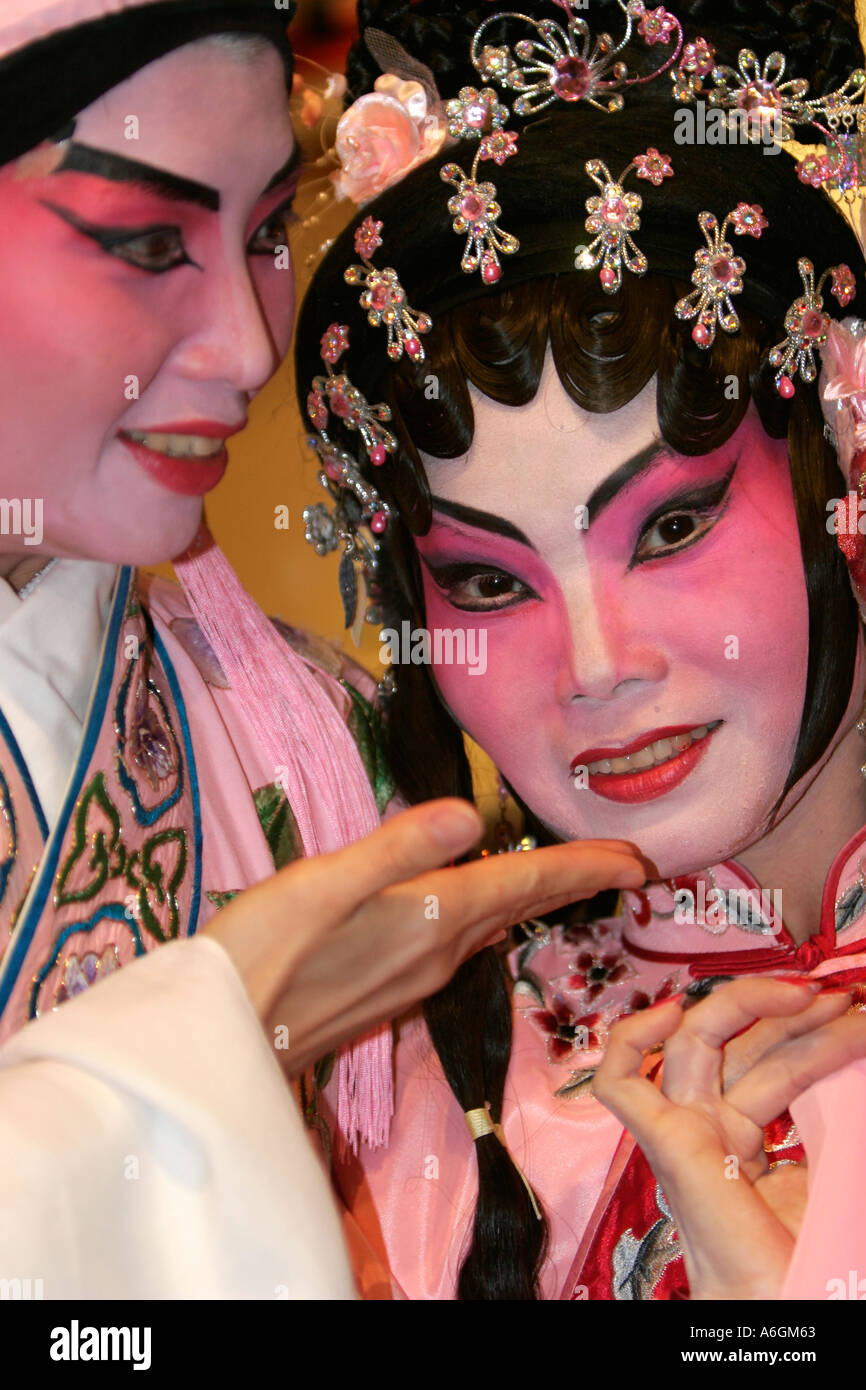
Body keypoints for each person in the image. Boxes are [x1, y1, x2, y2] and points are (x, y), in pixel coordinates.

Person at [0, 0, 647, 1299]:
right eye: (141, 240)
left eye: (262, 237)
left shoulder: (325, 741)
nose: (248, 347)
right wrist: (232, 1026)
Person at [295, 0, 866, 1299]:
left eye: (668, 523)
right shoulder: (410, 1068)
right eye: (488, 580)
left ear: (845, 465)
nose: (595, 660)